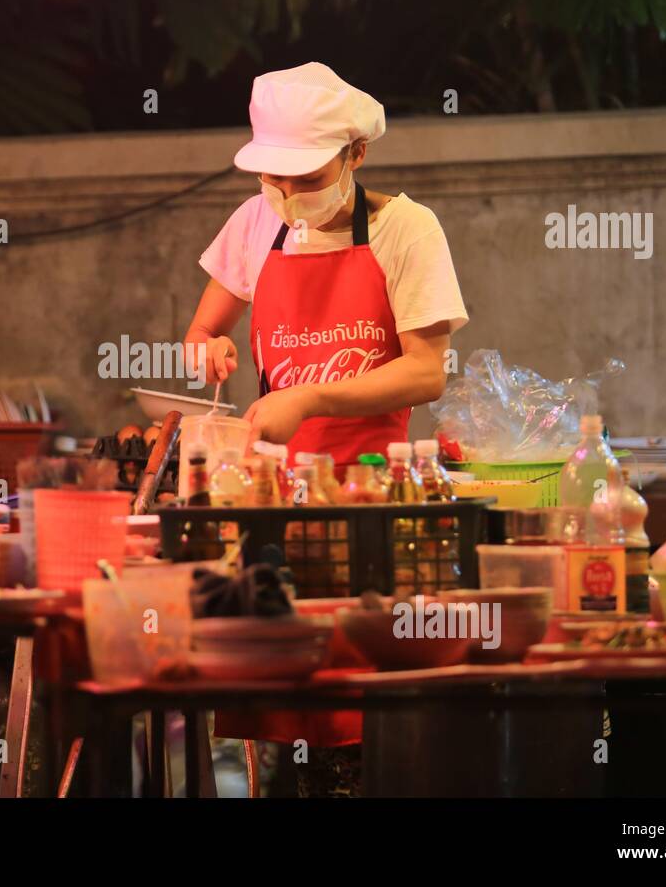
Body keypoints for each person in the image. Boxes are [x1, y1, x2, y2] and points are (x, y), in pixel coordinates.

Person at [183, 62, 469, 795]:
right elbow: (202, 326)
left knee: (366, 711)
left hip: (376, 505)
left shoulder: (407, 230)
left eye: (304, 179)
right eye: (271, 180)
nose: (285, 197)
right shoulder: (257, 223)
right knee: (283, 709)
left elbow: (425, 372)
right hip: (274, 507)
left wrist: (308, 399)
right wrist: (208, 346)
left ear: (356, 155)